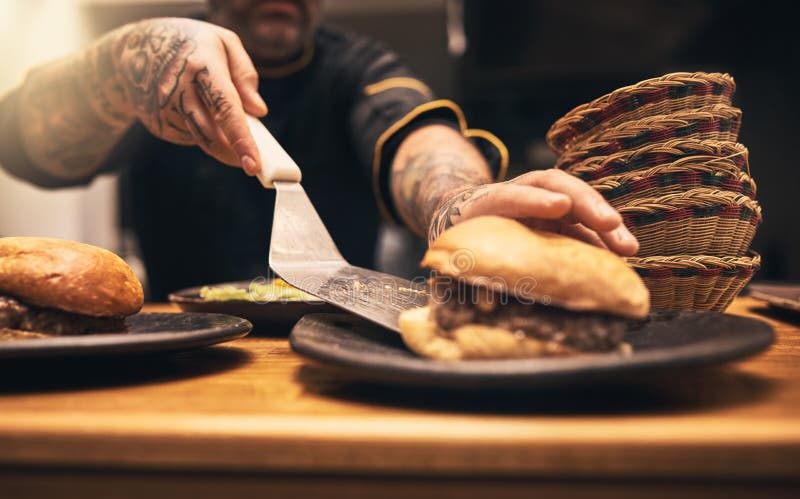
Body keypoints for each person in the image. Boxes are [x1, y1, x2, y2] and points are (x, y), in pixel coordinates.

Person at [0, 0, 638, 300]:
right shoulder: (160, 68)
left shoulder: (357, 67)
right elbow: (24, 145)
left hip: (334, 346)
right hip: (170, 346)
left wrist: (458, 202)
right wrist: (113, 69)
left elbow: (416, 137)